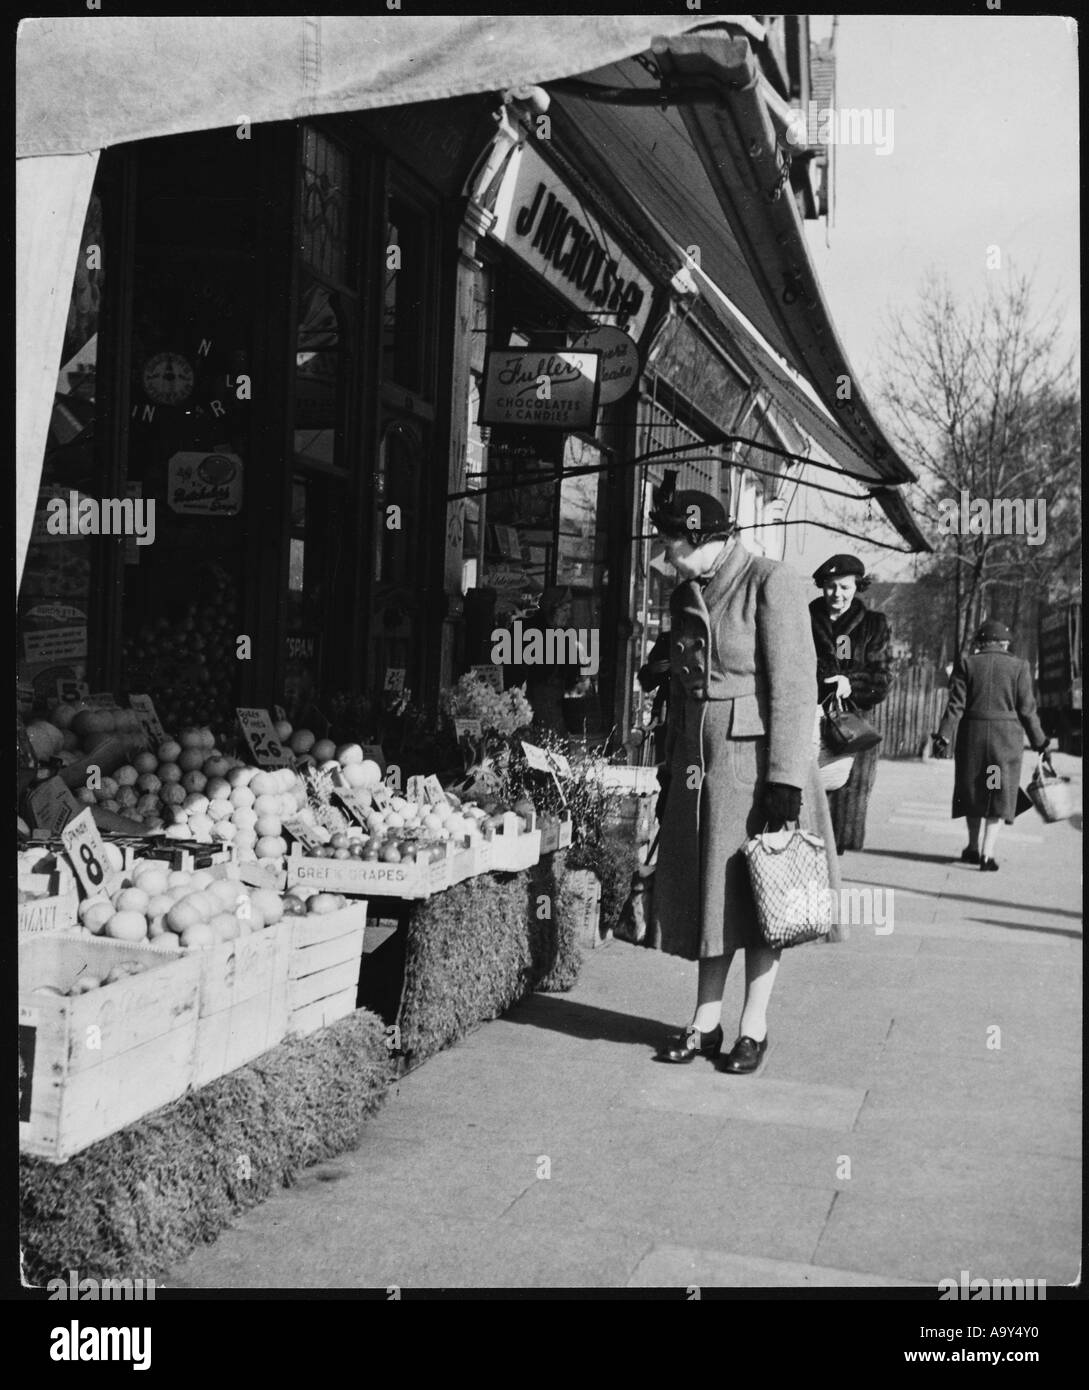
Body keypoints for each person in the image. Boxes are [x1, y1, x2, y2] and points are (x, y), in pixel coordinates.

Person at [649, 481, 842, 1075]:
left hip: (758, 773)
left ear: (702, 537)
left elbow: (792, 684)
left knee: (766, 901)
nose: (664, 552)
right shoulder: (689, 590)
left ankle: (752, 1028)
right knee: (715, 899)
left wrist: (785, 778)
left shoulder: (770, 581)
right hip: (702, 771)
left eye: (672, 541)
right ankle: (706, 1022)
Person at [933, 618, 1052, 871]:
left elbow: (955, 706)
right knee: (995, 793)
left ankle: (973, 848)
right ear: (1004, 643)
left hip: (972, 741)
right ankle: (988, 854)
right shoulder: (1019, 667)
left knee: (974, 792)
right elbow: (1028, 711)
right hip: (1003, 745)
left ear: (982, 643)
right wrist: (1040, 743)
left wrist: (943, 735)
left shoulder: (967, 664)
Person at [809, 555, 894, 852]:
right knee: (806, 820)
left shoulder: (873, 625)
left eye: (845, 587)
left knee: (841, 822)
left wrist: (850, 683)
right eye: (831, 587)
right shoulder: (802, 619)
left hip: (851, 729)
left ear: (857, 586)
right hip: (808, 724)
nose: (837, 594)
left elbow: (882, 679)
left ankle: (833, 884)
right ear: (822, 587)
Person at [506, 586, 590, 737]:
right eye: (565, 610)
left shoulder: (566, 635)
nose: (569, 615)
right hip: (528, 703)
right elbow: (512, 671)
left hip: (556, 706)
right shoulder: (524, 628)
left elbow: (572, 676)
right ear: (552, 608)